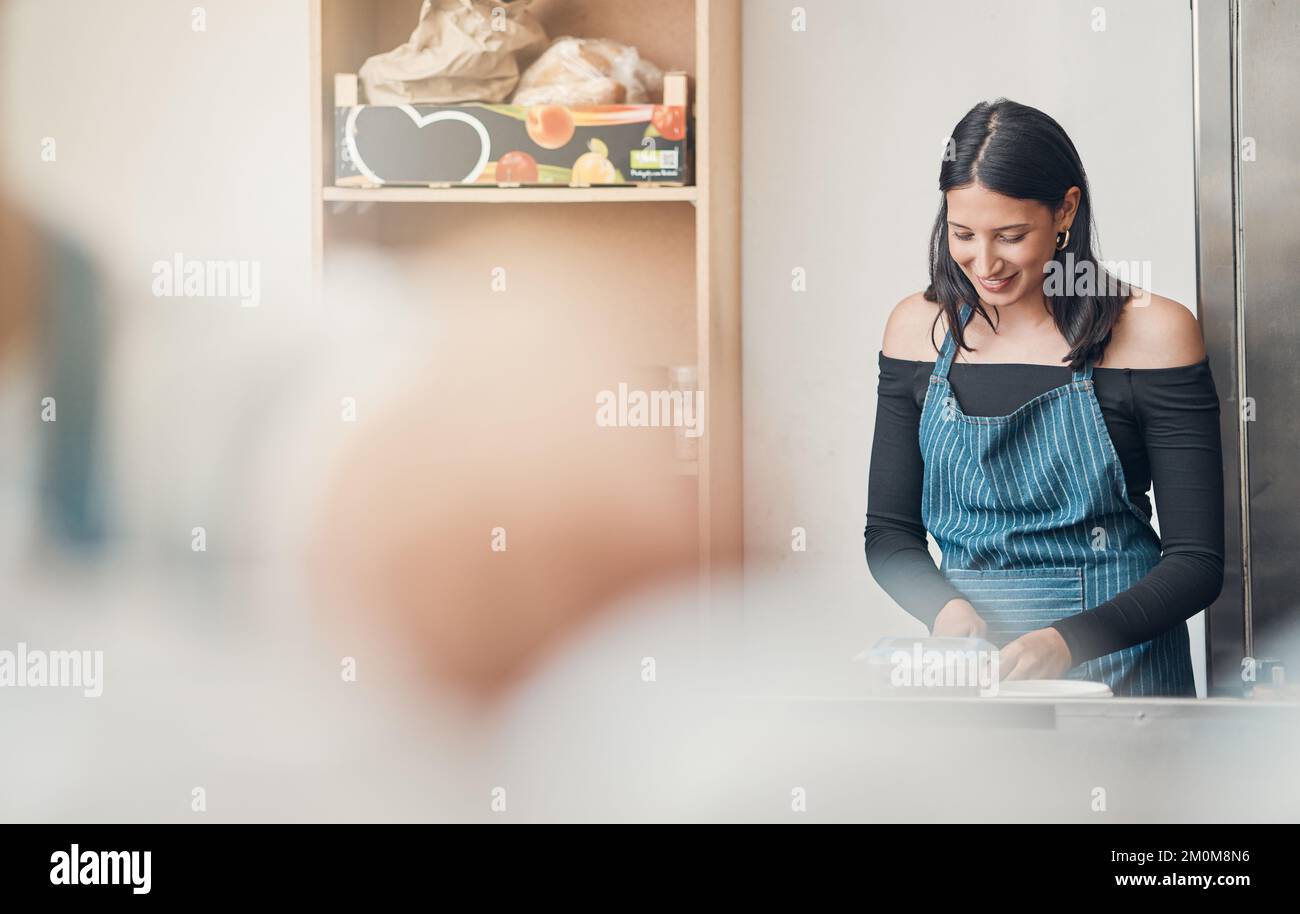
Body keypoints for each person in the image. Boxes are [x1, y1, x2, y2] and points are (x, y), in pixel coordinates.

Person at [864, 99, 1224, 697]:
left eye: (1011, 236)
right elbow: (889, 534)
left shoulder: (1153, 333)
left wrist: (1067, 643)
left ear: (1066, 210)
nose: (985, 262)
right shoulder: (917, 329)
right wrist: (945, 612)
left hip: (1126, 676)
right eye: (963, 234)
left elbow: (1197, 563)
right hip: (981, 682)